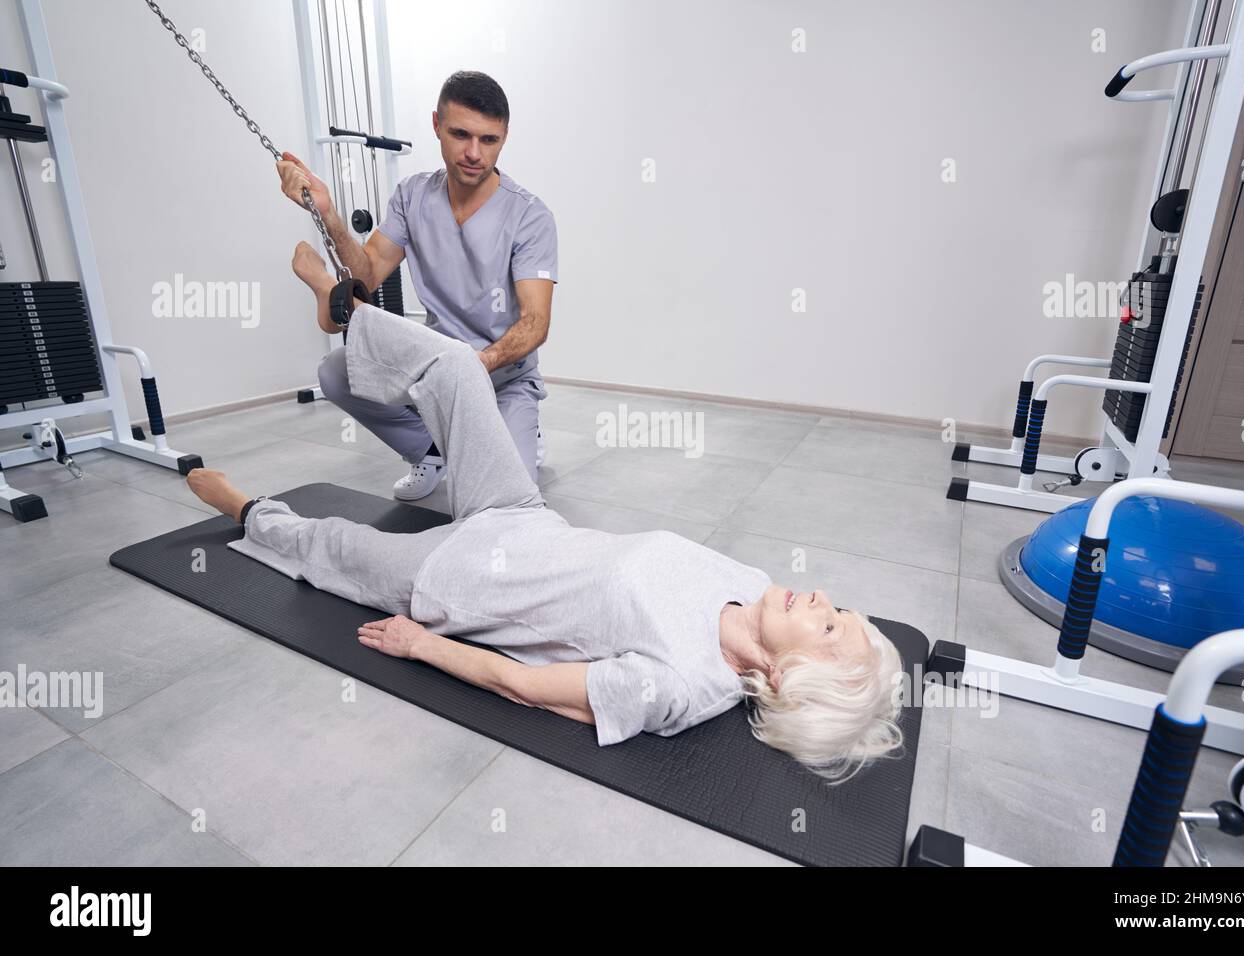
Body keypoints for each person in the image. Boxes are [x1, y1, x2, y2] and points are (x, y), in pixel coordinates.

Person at [183, 244, 905, 784]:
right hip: (522, 518)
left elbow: (527, 688)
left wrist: (423, 645)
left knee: (330, 547)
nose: (820, 599)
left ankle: (247, 509)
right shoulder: (752, 582)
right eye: (839, 610)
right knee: (461, 370)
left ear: (782, 678)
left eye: (830, 626)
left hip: (454, 581)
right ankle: (346, 313)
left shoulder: (676, 686)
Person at [276, 70, 556, 500]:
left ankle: (517, 431)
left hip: (503, 377)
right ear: (436, 126)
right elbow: (366, 275)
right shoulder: (413, 196)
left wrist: (475, 368)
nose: (474, 153)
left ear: (504, 137)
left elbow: (535, 322)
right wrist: (329, 213)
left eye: (489, 140)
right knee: (337, 371)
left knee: (506, 504)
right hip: (435, 362)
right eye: (461, 134)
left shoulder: (529, 216)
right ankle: (429, 449)